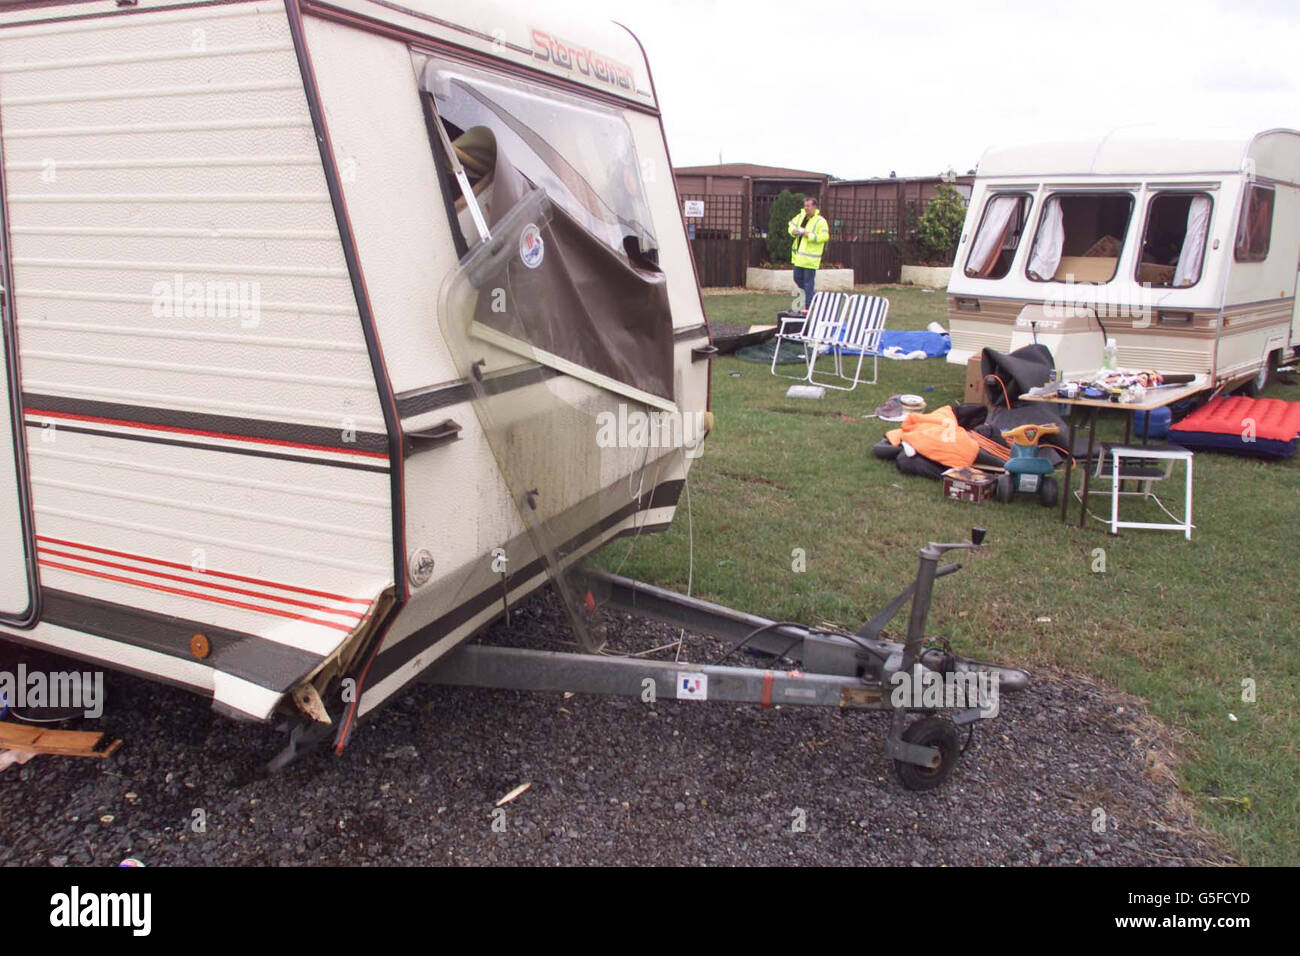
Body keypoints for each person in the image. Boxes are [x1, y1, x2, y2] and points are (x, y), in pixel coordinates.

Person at [788, 195, 829, 309]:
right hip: (799, 258)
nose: (806, 208)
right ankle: (815, 297)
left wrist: (808, 235)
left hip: (811, 259)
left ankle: (809, 305)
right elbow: (790, 225)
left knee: (808, 282)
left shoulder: (821, 221)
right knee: (797, 278)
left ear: (815, 207)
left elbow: (824, 237)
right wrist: (793, 231)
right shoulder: (801, 217)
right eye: (805, 206)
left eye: (808, 206)